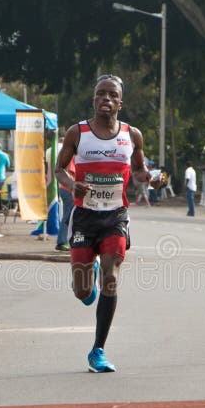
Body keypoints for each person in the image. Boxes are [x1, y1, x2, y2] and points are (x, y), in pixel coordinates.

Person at [54, 74, 151, 373]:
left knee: (111, 277)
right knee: (82, 292)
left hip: (115, 216)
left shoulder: (132, 135)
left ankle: (98, 350)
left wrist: (148, 176)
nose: (105, 99)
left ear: (121, 102)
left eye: (111, 95)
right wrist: (73, 185)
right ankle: (88, 277)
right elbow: (59, 169)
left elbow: (138, 169)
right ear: (94, 99)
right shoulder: (77, 133)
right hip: (85, 216)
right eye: (100, 94)